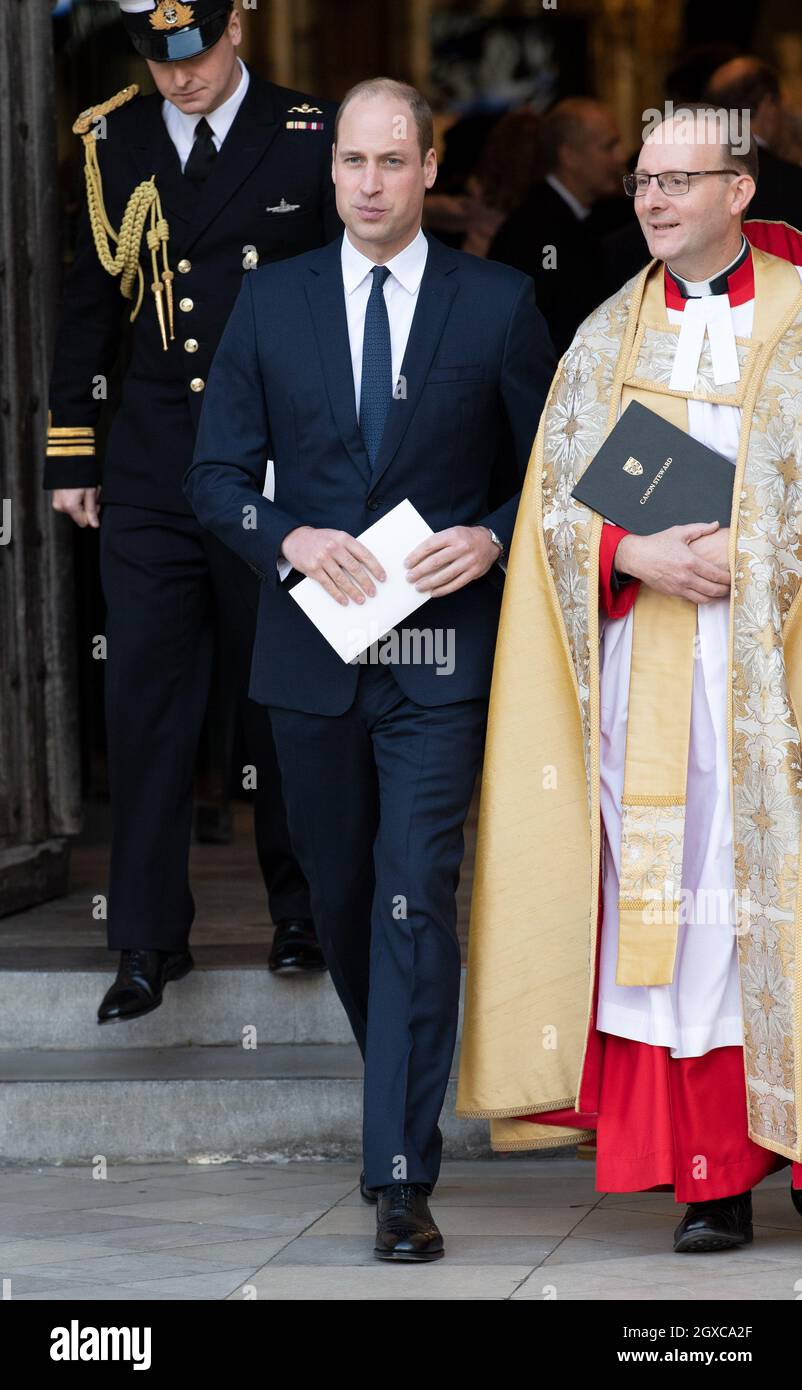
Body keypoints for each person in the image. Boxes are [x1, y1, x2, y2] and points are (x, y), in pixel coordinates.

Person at [185, 77, 554, 1261]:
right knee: (347, 902)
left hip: (440, 665)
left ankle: (400, 1172)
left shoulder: (496, 304)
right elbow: (214, 480)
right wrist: (285, 536)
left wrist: (493, 532)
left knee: (411, 890)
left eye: (394, 162)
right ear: (330, 169)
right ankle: (397, 1077)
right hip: (312, 662)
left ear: (429, 168)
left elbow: (555, 468)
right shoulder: (269, 303)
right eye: (353, 161)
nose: (370, 183)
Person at [457, 103, 802, 1252]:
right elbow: (555, 513)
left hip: (777, 677)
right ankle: (709, 1172)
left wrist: (753, 552)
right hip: (650, 675)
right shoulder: (607, 333)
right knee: (679, 926)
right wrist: (632, 551)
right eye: (643, 179)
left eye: (675, 180)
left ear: (738, 193)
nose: (649, 198)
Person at [45, 0, 341, 1023]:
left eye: (196, 52)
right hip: (155, 462)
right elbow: (88, 299)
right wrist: (69, 449)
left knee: (281, 694)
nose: (180, 77)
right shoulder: (111, 137)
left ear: (238, 28)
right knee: (146, 699)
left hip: (276, 462)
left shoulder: (313, 133)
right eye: (158, 59)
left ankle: (299, 908)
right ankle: (143, 939)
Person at [488, 98, 626, 354]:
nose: (620, 157)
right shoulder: (536, 231)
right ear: (570, 156)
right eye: (609, 146)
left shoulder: (586, 217)